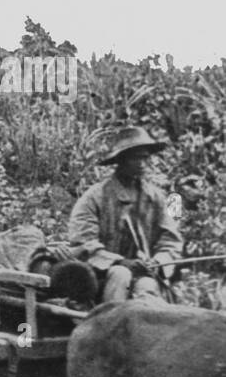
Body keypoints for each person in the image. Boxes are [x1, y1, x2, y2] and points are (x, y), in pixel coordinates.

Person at [67, 126, 182, 302]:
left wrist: (158, 262)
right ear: (121, 160)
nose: (142, 163)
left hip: (143, 272)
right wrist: (119, 261)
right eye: (136, 158)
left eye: (145, 157)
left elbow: (171, 240)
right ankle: (111, 325)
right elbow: (83, 243)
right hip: (101, 275)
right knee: (121, 275)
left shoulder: (156, 198)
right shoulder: (95, 197)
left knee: (147, 286)